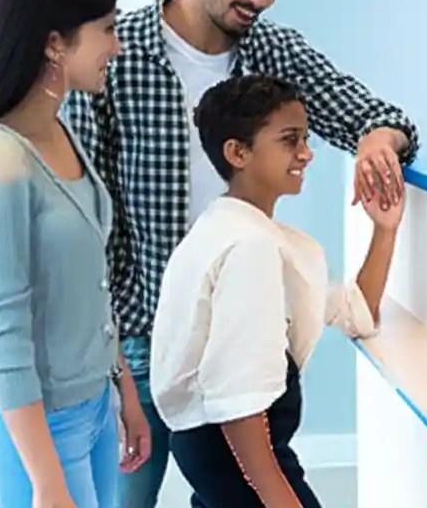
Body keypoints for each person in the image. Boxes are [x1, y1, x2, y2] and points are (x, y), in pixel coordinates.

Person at [61, 0, 419, 506]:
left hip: (243, 327)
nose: (261, 0)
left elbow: (377, 116)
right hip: (142, 338)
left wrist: (380, 143)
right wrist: (111, 352)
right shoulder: (117, 54)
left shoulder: (271, 49)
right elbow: (85, 212)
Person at [150, 74, 399, 507]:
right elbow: (237, 397)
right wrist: (278, 496)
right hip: (238, 452)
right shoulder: (250, 247)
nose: (306, 153)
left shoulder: (241, 234)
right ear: (237, 152)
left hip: (216, 451)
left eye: (305, 139)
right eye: (290, 140)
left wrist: (385, 230)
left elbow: (355, 310)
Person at [0, 0, 151, 508]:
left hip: (92, 411)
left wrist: (124, 390)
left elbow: (89, 290)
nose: (117, 46)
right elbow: (0, 329)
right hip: (32, 432)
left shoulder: (64, 133)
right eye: (107, 30)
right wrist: (45, 480)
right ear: (53, 43)